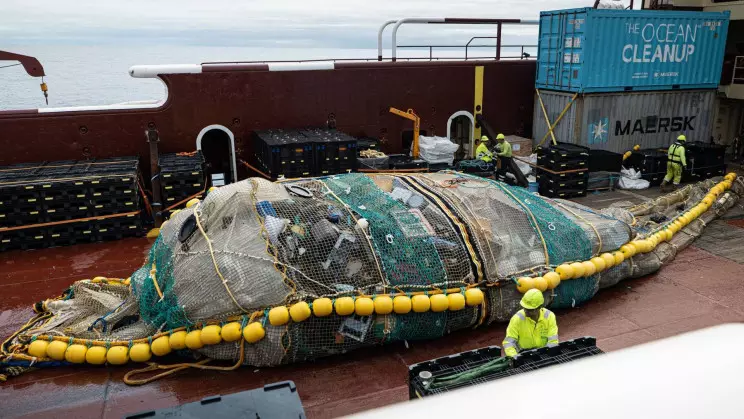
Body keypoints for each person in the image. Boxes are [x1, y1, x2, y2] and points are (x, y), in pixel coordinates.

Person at [502, 289, 559, 358]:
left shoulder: (549, 316)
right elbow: (509, 343)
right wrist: (514, 357)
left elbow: (553, 341)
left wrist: (548, 355)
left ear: (539, 307)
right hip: (523, 355)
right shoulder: (517, 319)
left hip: (543, 353)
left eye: (529, 309)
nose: (525, 311)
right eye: (524, 308)